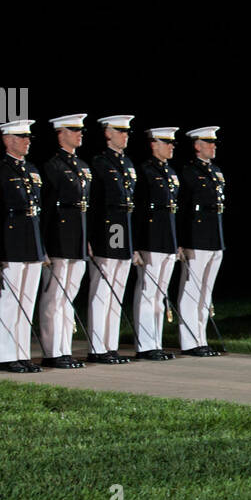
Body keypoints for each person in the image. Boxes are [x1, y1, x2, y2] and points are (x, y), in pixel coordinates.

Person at [0, 119, 45, 373]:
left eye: (28, 137)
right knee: (10, 300)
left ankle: (22, 354)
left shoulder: (30, 168)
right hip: (10, 242)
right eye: (22, 137)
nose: (28, 141)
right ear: (8, 140)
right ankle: (7, 356)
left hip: (31, 240)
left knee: (27, 301)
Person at [38, 114, 93, 369]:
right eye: (74, 130)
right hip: (58, 238)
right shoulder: (53, 166)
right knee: (54, 297)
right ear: (61, 133)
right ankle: (52, 351)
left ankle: (64, 349)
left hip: (76, 238)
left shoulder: (80, 165)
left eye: (80, 130)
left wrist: (87, 239)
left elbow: (84, 208)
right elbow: (47, 208)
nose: (79, 134)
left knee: (68, 297)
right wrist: (44, 245)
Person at [86, 115, 138, 364]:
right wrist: (91, 237)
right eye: (120, 131)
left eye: (126, 131)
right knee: (103, 288)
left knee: (117, 289)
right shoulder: (99, 162)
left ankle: (111, 345)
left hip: (123, 225)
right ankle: (97, 347)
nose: (125, 135)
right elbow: (94, 203)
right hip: (108, 227)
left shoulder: (126, 162)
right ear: (108, 133)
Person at [176, 126, 226, 357]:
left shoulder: (214, 171)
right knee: (191, 290)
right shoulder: (188, 172)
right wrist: (182, 241)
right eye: (208, 142)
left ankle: (201, 337)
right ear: (197, 146)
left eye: (213, 142)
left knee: (206, 291)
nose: (213, 145)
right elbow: (183, 208)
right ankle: (189, 341)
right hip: (196, 237)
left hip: (214, 235)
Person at [132, 126, 181, 361]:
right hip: (150, 238)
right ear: (153, 144)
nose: (171, 146)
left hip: (166, 238)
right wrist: (136, 245)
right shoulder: (144, 171)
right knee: (147, 293)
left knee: (160, 295)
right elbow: (139, 209)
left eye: (172, 143)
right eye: (166, 142)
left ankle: (156, 342)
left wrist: (176, 242)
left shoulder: (169, 171)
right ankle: (145, 344)